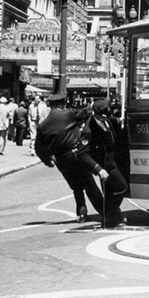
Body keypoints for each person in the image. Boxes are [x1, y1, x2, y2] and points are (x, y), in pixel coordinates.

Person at [35, 93, 104, 223]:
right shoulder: (68, 114)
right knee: (89, 184)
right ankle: (105, 213)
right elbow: (87, 111)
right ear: (62, 104)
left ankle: (82, 213)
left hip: (61, 160)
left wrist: (47, 161)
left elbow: (38, 148)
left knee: (76, 187)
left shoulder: (42, 125)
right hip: (76, 155)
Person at [82, 99, 129, 228]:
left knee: (109, 193)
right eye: (101, 117)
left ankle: (112, 218)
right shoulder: (88, 130)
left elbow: (117, 124)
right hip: (105, 165)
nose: (104, 119)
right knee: (122, 187)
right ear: (95, 113)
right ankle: (108, 213)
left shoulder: (107, 118)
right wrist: (98, 170)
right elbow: (83, 154)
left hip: (114, 159)